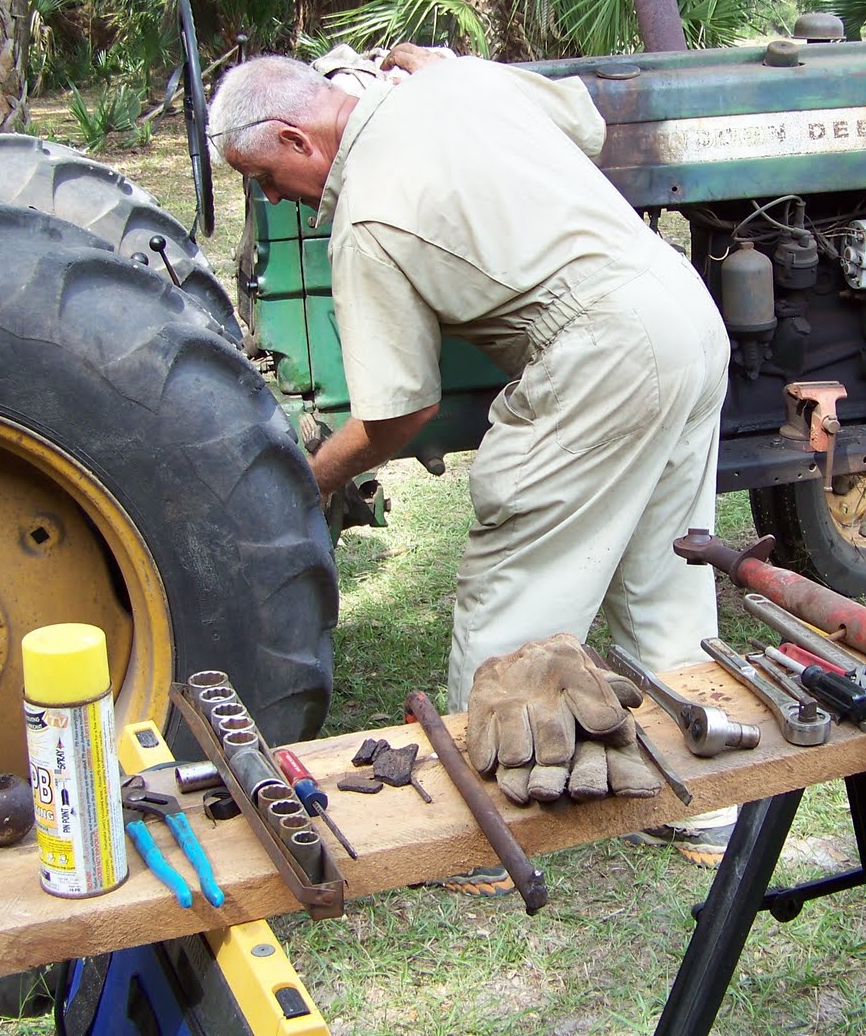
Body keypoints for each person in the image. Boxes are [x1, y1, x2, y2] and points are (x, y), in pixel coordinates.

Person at [207, 49, 734, 883]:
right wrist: (465, 65)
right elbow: (585, 123)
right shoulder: (447, 81)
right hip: (682, 311)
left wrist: (308, 479)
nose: (271, 198)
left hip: (603, 346)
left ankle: (485, 826)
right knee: (665, 569)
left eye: (265, 177)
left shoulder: (368, 219)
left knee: (516, 585)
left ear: (294, 137)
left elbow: (397, 415)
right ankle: (707, 803)